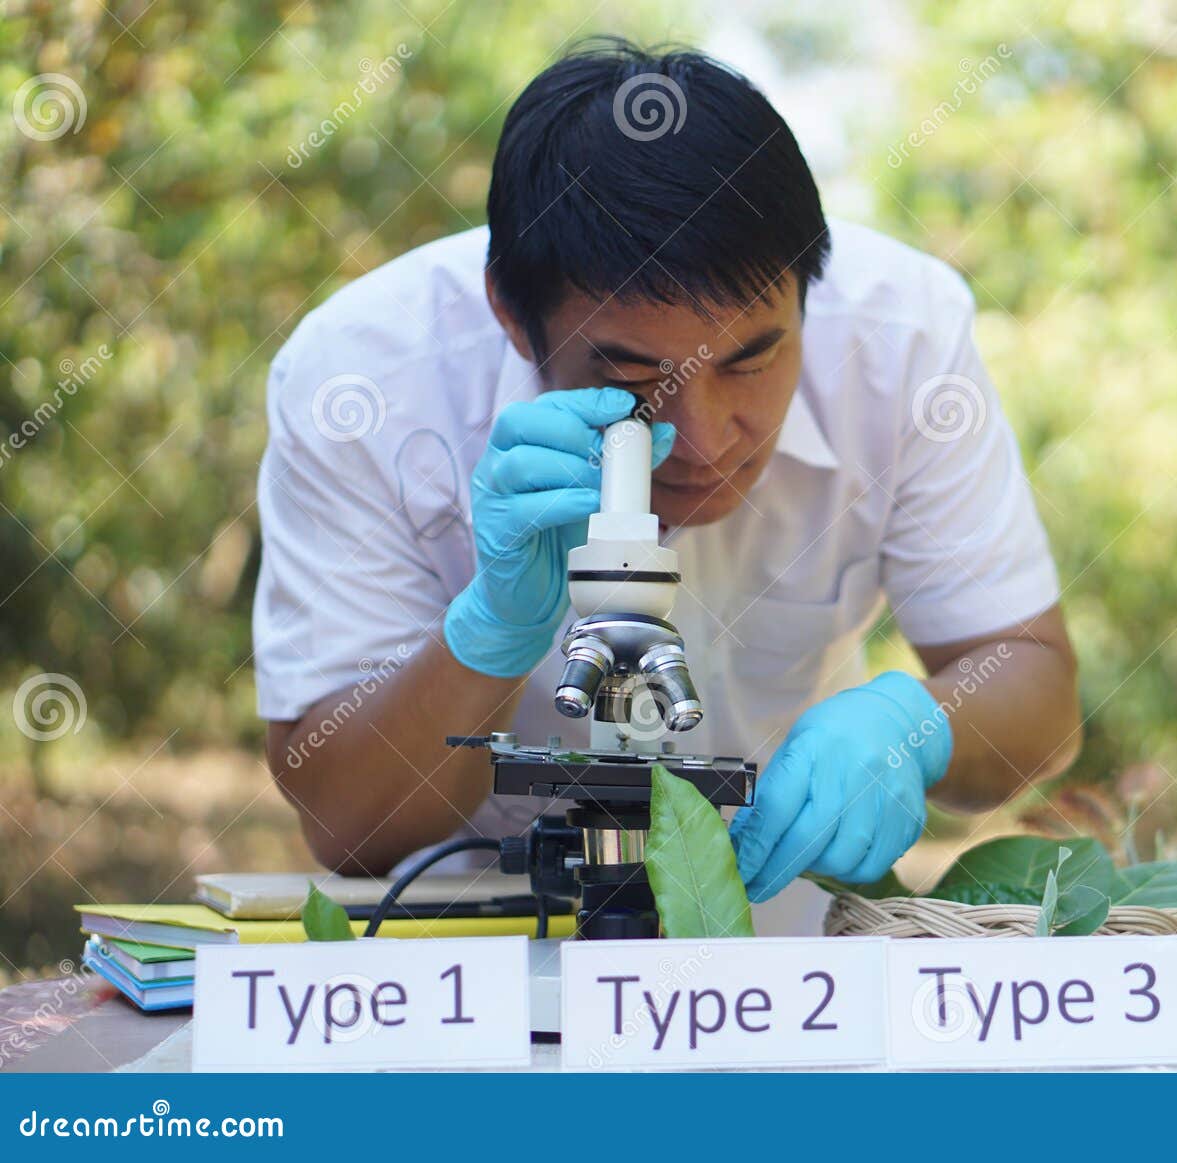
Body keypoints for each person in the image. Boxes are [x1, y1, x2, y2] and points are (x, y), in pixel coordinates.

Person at [252, 39, 1081, 926]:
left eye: (754, 359)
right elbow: (346, 824)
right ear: (511, 314)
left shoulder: (903, 340)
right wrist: (486, 639)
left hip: (768, 941)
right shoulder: (364, 380)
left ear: (811, 292)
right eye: (636, 376)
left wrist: (913, 724)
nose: (704, 438)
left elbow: (1040, 695)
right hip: (469, 957)